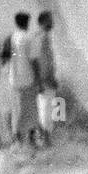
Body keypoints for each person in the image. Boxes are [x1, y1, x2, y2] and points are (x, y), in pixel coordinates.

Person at [0, 12, 40, 145]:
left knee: (17, 109)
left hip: (14, 79)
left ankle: (16, 139)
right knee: (31, 109)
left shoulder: (10, 38)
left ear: (16, 23)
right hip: (28, 79)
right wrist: (38, 79)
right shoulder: (29, 38)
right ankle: (31, 139)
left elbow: (3, 58)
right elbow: (34, 60)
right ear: (27, 23)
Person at [34, 11, 59, 148]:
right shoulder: (41, 38)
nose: (52, 23)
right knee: (44, 111)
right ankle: (44, 141)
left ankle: (47, 140)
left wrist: (53, 77)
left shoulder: (46, 37)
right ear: (43, 22)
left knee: (48, 111)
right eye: (50, 20)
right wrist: (39, 81)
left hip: (47, 80)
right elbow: (37, 61)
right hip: (43, 81)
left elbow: (49, 61)